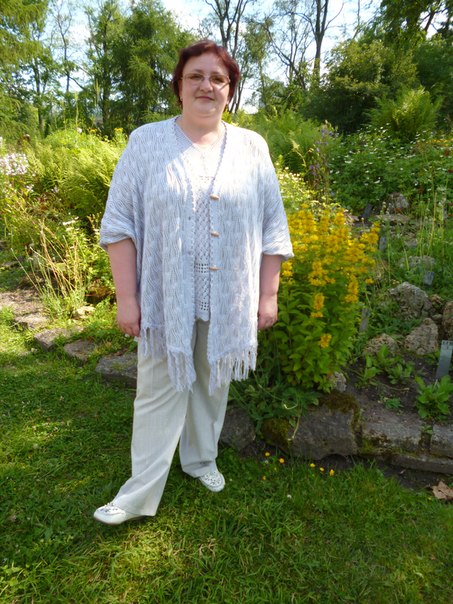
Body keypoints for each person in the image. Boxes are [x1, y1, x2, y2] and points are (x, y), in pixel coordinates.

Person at [94, 40, 293, 525]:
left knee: (212, 383)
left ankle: (201, 459)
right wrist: (127, 298)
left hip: (229, 298)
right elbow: (119, 225)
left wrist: (268, 294)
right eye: (196, 76)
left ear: (230, 90)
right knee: (158, 391)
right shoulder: (147, 142)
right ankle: (138, 496)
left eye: (218, 78)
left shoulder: (252, 147)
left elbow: (273, 226)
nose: (207, 86)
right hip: (167, 297)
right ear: (179, 86)